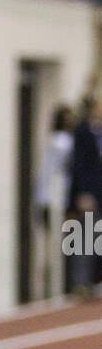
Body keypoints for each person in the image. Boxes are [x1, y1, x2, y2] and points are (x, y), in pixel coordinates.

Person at [34, 104, 75, 298]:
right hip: (54, 200)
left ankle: (53, 287)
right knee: (58, 246)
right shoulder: (61, 142)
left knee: (57, 246)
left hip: (50, 198)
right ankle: (54, 288)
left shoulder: (56, 141)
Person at [67, 95, 102, 298]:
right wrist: (82, 193)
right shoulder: (82, 132)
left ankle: (95, 280)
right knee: (87, 238)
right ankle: (81, 283)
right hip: (91, 194)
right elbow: (79, 165)